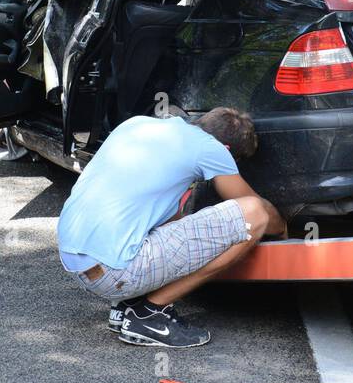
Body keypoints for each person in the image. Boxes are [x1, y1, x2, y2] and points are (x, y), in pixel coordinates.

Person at [56, 108, 285, 348]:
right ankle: (149, 314)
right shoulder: (210, 148)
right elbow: (258, 210)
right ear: (227, 150)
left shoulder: (136, 125)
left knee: (173, 218)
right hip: (115, 272)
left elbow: (168, 218)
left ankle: (127, 304)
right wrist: (282, 231)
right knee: (254, 214)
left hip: (78, 263)